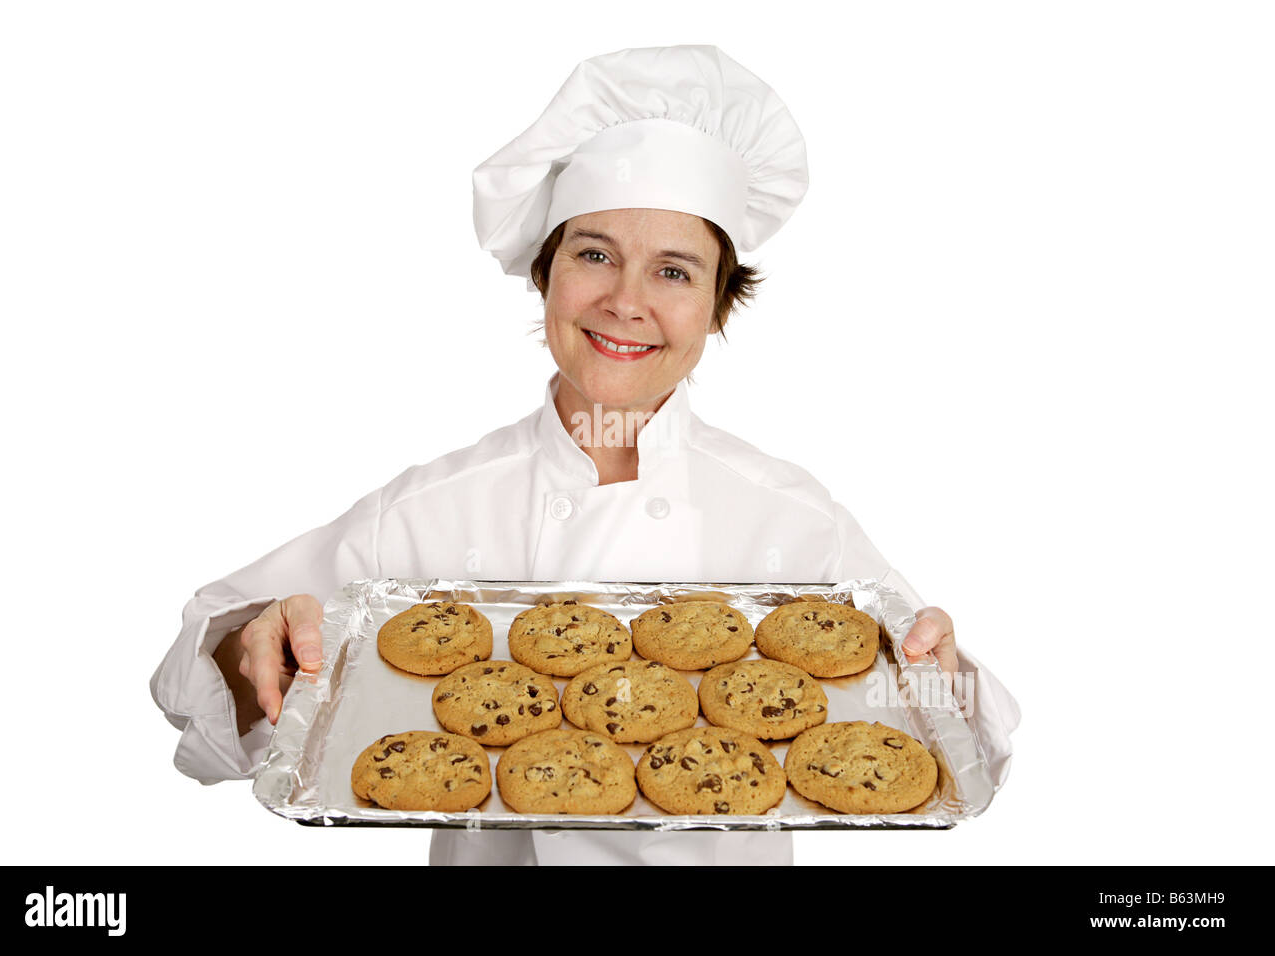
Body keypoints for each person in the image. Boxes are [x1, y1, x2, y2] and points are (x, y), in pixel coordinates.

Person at [150, 44, 1020, 866]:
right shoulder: (429, 511)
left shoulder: (794, 517)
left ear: (719, 306)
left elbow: (972, 736)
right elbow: (194, 679)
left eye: (675, 272)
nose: (625, 302)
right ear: (546, 272)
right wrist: (252, 647)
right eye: (594, 254)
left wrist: (944, 679)